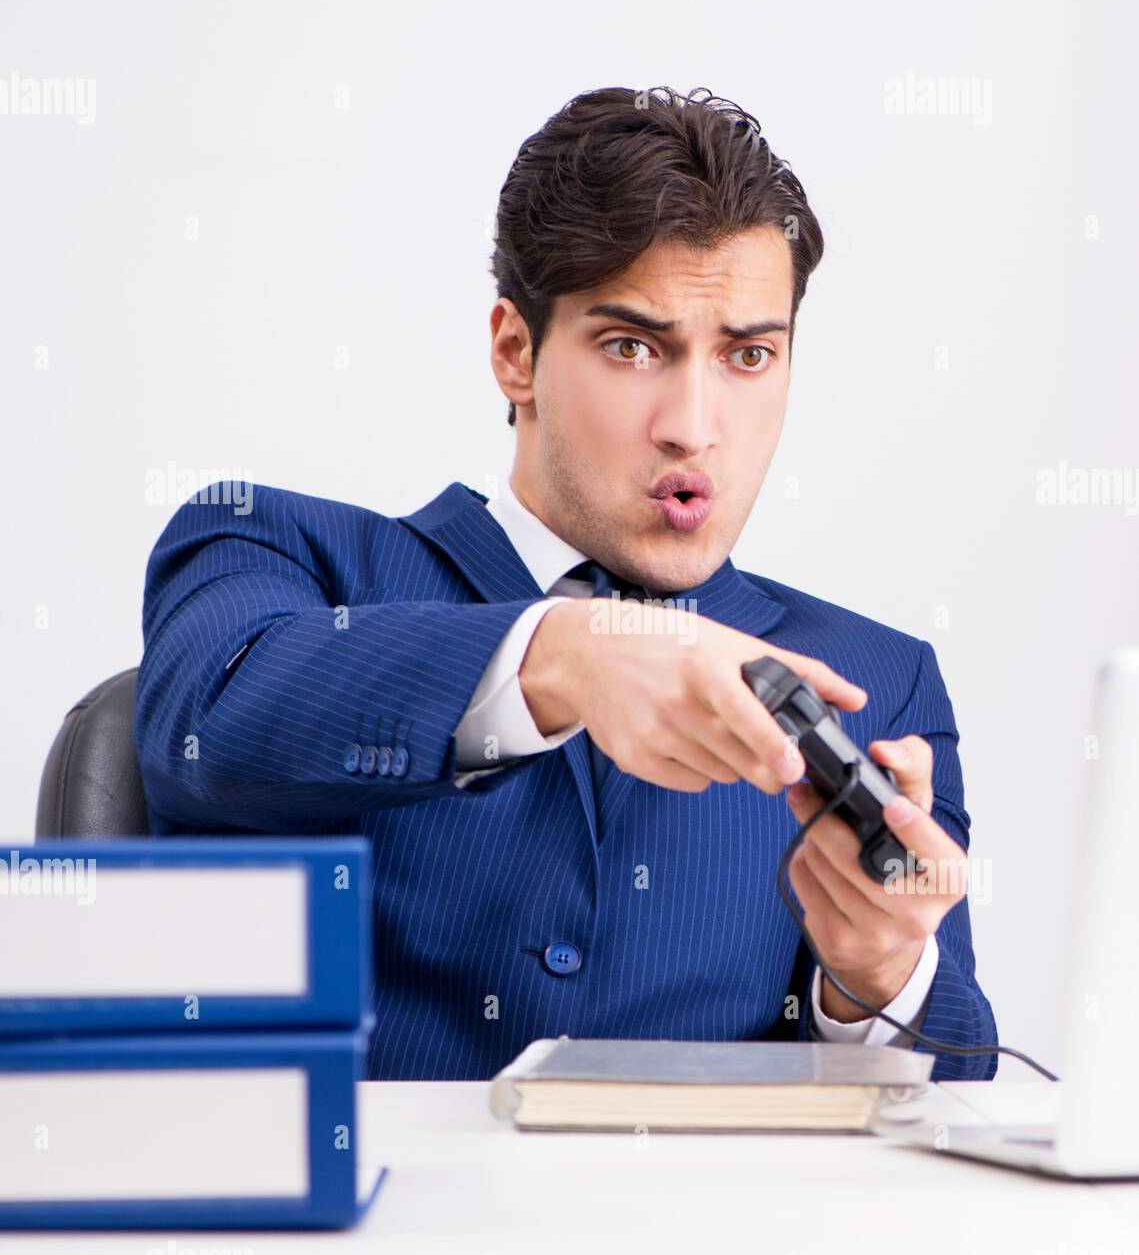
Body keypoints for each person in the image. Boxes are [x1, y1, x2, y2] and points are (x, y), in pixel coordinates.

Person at [134, 86, 998, 1080]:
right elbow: (209, 719)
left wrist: (873, 981)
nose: (694, 425)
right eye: (634, 347)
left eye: (747, 355)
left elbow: (954, 1115)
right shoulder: (271, 546)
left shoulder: (874, 681)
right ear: (514, 351)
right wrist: (565, 655)